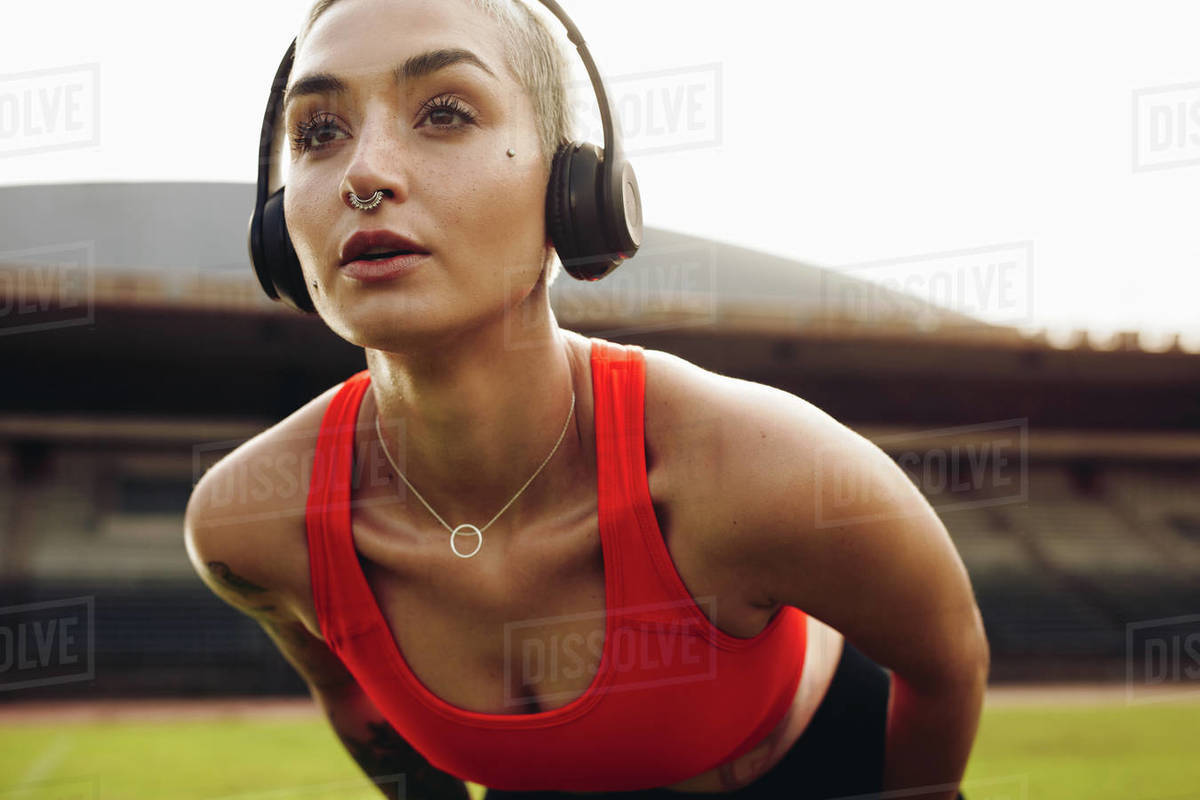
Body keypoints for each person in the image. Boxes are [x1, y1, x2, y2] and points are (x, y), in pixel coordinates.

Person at [184, 1, 987, 798]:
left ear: (573, 190)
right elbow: (347, 694)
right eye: (319, 132)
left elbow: (949, 661)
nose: (363, 175)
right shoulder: (250, 528)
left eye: (445, 113)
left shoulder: (762, 467)